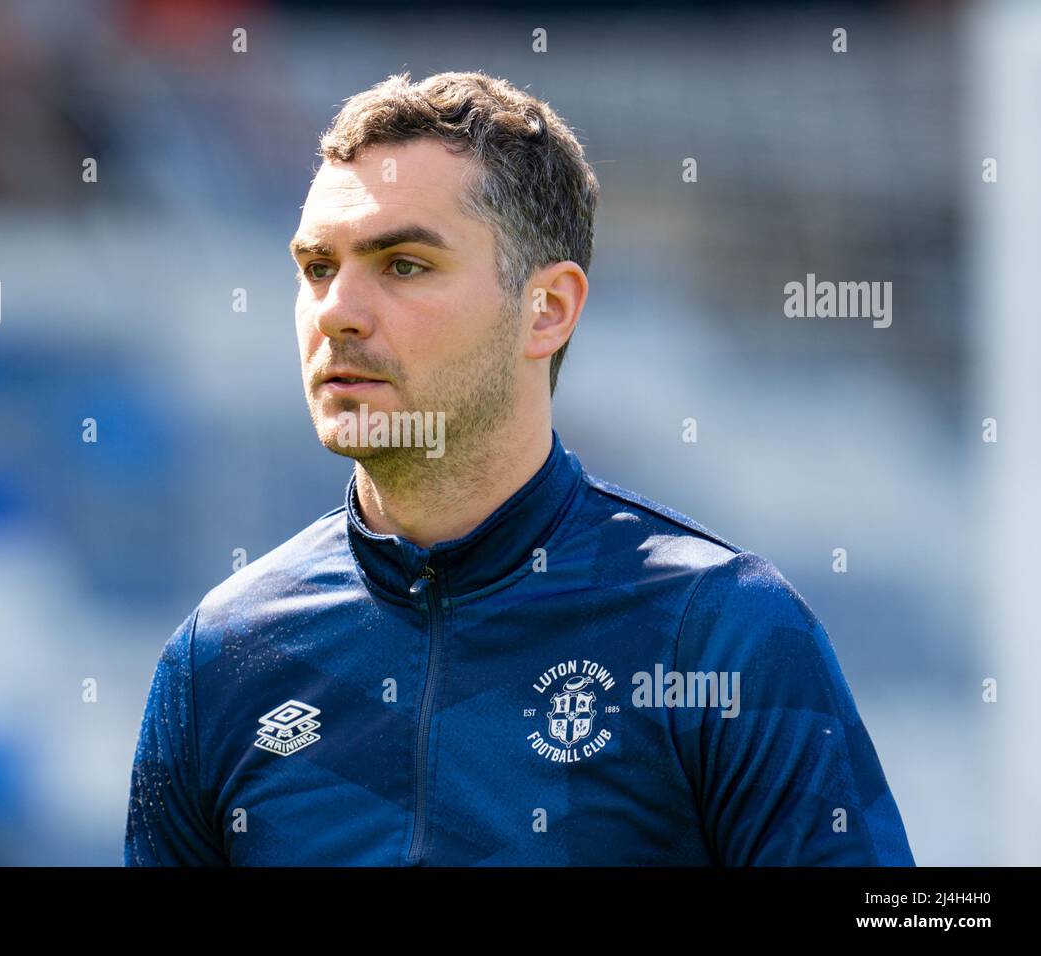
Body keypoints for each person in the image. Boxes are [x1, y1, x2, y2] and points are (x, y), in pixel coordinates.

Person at [124, 70, 915, 866]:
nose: (335, 311)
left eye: (403, 264)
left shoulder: (717, 632)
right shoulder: (222, 658)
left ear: (549, 309)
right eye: (319, 267)